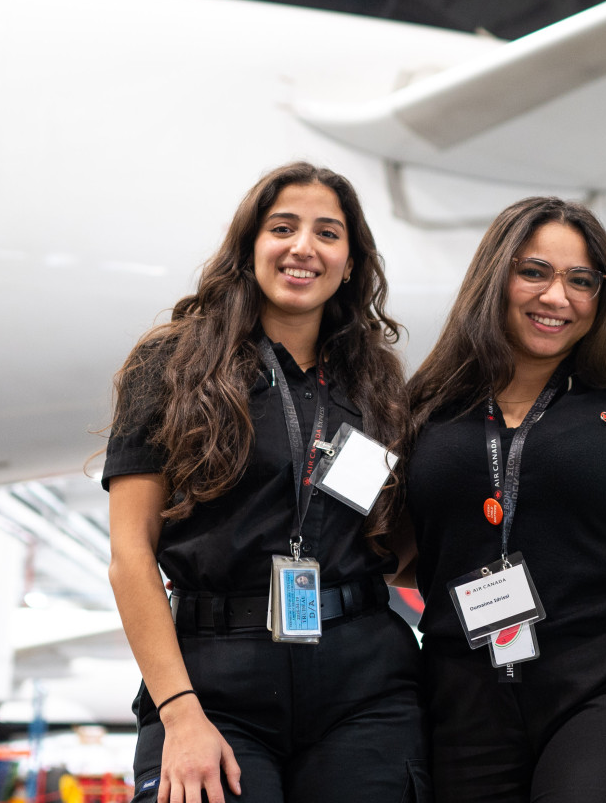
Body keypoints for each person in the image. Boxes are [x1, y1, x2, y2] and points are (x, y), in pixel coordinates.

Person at [103, 163, 424, 803]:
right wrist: (180, 714)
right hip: (215, 684)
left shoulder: (376, 380)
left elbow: (397, 548)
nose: (303, 247)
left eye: (327, 233)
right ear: (250, 245)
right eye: (283, 227)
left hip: (365, 685)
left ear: (352, 262)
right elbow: (129, 556)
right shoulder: (170, 363)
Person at [403, 197, 606, 803]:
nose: (556, 297)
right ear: (495, 275)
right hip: (464, 695)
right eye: (534, 271)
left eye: (580, 280)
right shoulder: (425, 403)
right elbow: (392, 547)